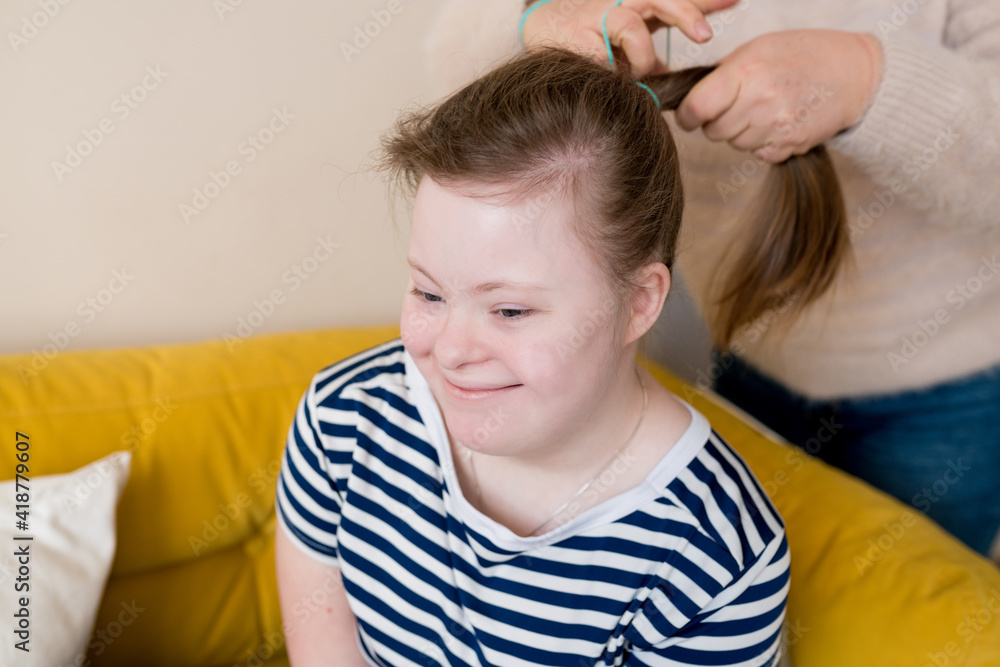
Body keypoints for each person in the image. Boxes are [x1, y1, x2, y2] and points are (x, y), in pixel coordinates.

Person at [275, 47, 789, 666]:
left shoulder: (713, 554)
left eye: (510, 311)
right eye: (429, 292)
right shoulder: (343, 423)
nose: (452, 351)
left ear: (640, 302)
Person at [520, 0, 1000, 557]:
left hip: (948, 389)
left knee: (911, 598)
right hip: (749, 350)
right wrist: (535, 19)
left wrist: (870, 77)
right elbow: (462, 62)